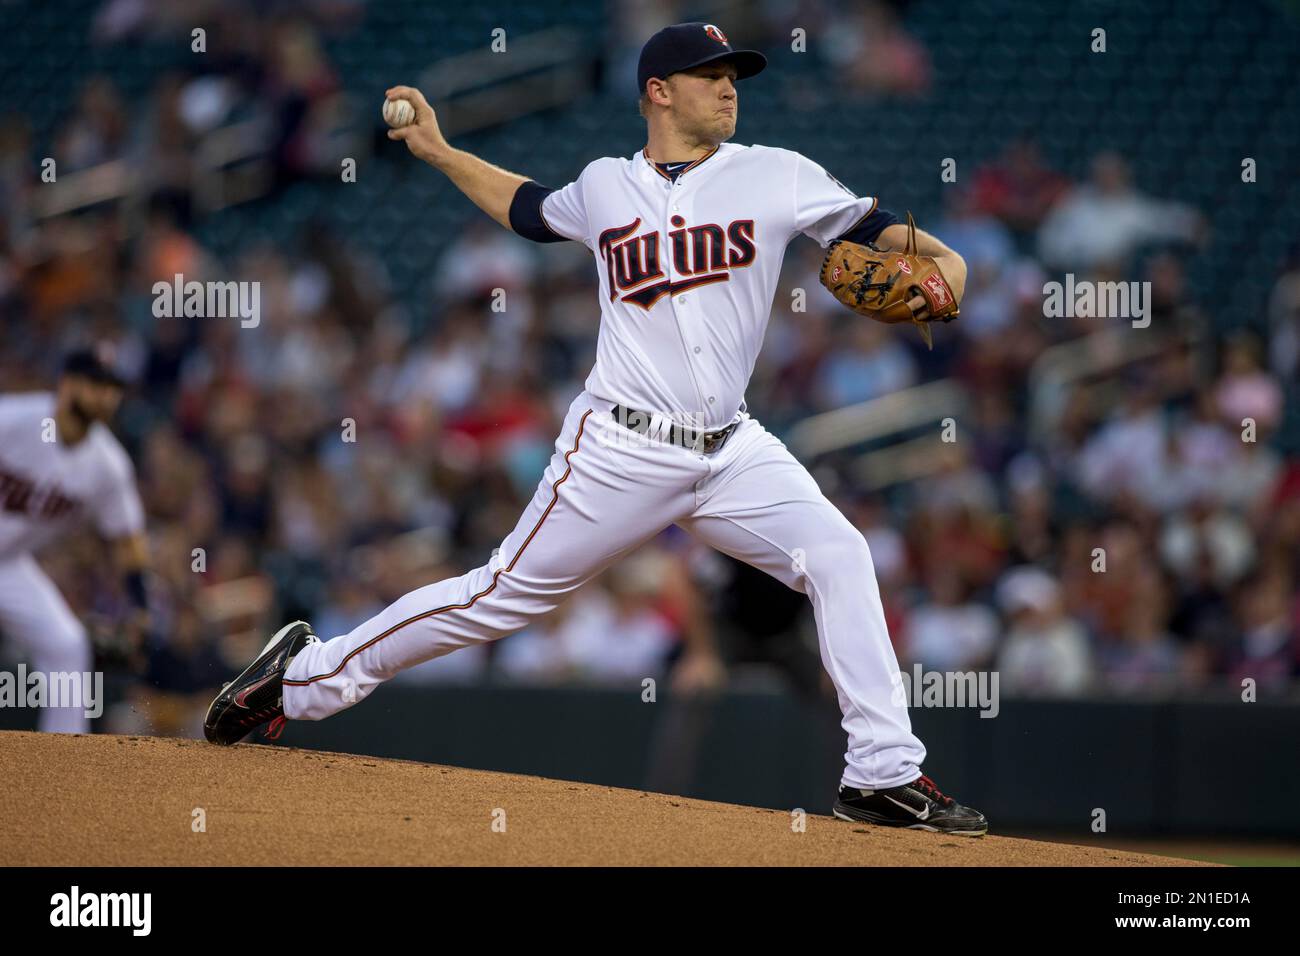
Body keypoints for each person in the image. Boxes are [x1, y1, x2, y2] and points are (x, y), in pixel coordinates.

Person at [205, 22, 987, 836]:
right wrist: (438, 150)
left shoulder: (777, 175)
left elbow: (890, 234)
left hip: (731, 448)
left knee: (839, 552)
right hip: (621, 446)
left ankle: (882, 774)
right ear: (658, 91)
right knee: (497, 596)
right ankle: (302, 677)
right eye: (710, 75)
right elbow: (525, 206)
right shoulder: (606, 185)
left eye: (734, 75)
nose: (729, 88)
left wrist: (950, 267)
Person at [0, 345, 151, 732]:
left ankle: (65, 764)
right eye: (96, 384)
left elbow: (127, 542)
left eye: (113, 387)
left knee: (67, 646)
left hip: (8, 565)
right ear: (66, 383)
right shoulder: (15, 421)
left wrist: (139, 608)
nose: (106, 395)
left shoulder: (109, 466)